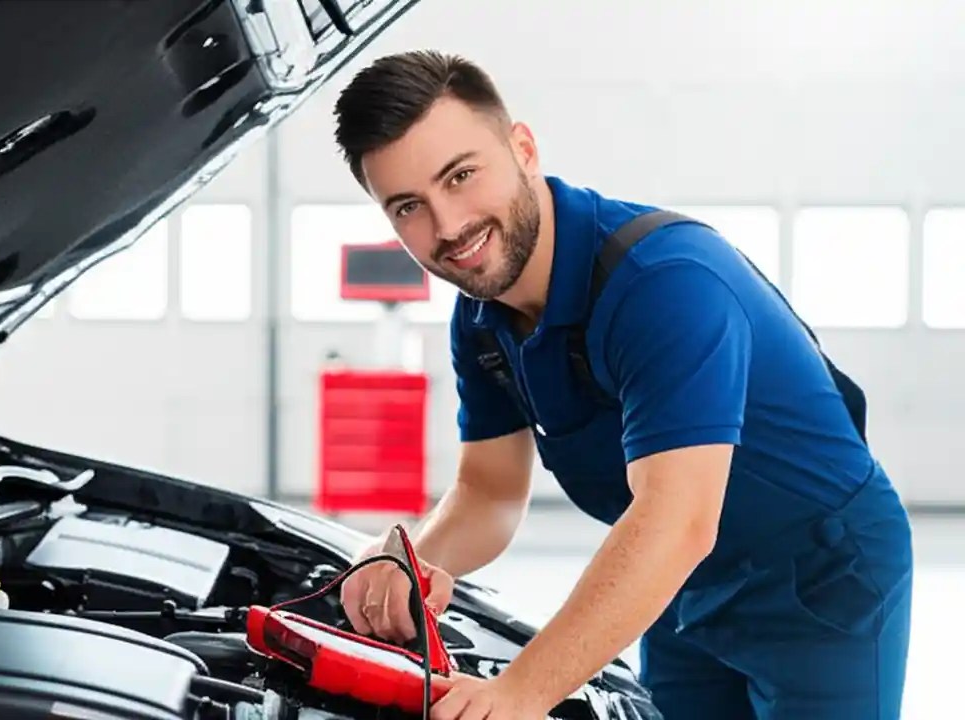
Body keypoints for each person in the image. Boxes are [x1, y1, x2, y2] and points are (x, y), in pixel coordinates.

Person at [330, 50, 914, 720]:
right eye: (409, 206)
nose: (448, 226)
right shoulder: (483, 322)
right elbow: (488, 494)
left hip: (821, 571)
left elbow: (678, 518)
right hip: (688, 578)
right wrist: (408, 562)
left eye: (460, 175)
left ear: (522, 148)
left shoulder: (665, 282)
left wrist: (520, 693)